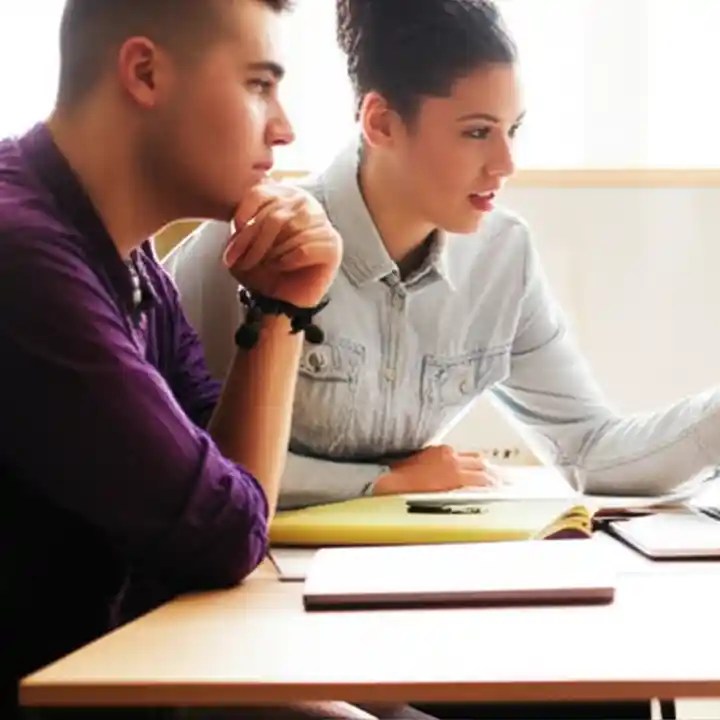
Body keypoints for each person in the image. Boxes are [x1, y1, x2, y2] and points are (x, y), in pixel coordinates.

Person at [165, 0, 720, 517]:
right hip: (256, 598)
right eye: (476, 132)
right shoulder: (244, 252)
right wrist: (383, 482)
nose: (505, 163)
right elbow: (181, 466)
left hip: (413, 581)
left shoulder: (503, 256)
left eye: (513, 130)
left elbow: (590, 451)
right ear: (380, 122)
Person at [0, 1, 425, 718]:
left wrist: (283, 301)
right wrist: (287, 309)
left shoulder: (125, 257)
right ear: (144, 72)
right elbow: (224, 534)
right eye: (260, 84)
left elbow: (223, 483)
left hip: (127, 675)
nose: (284, 127)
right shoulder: (24, 260)